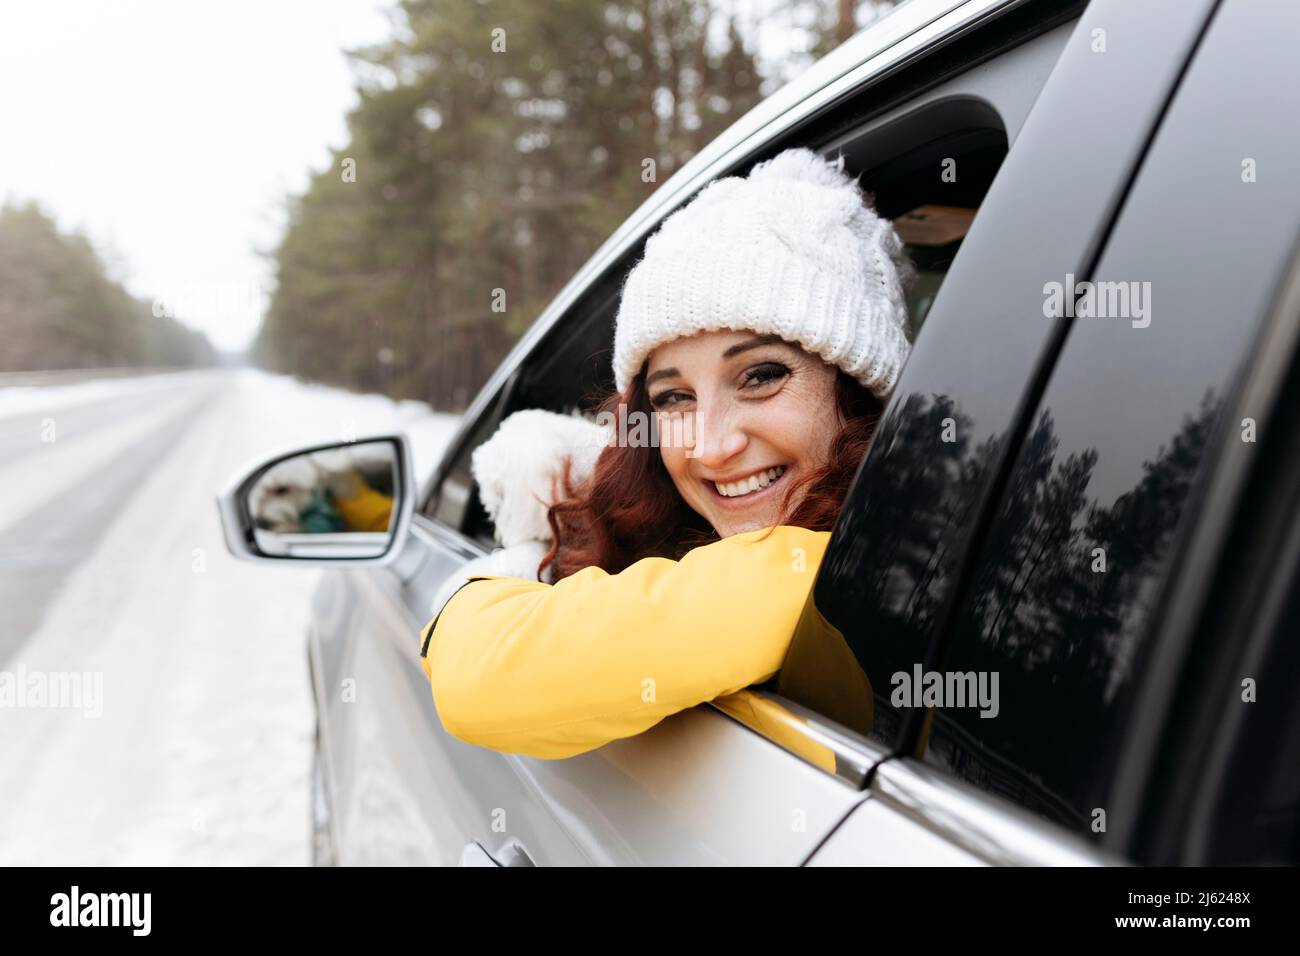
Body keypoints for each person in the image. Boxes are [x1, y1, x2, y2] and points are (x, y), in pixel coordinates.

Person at [419, 147, 913, 759]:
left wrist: (497, 574)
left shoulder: (810, 571)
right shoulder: (727, 550)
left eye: (761, 376)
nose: (710, 445)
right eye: (675, 397)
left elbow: (481, 678)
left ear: (859, 390)